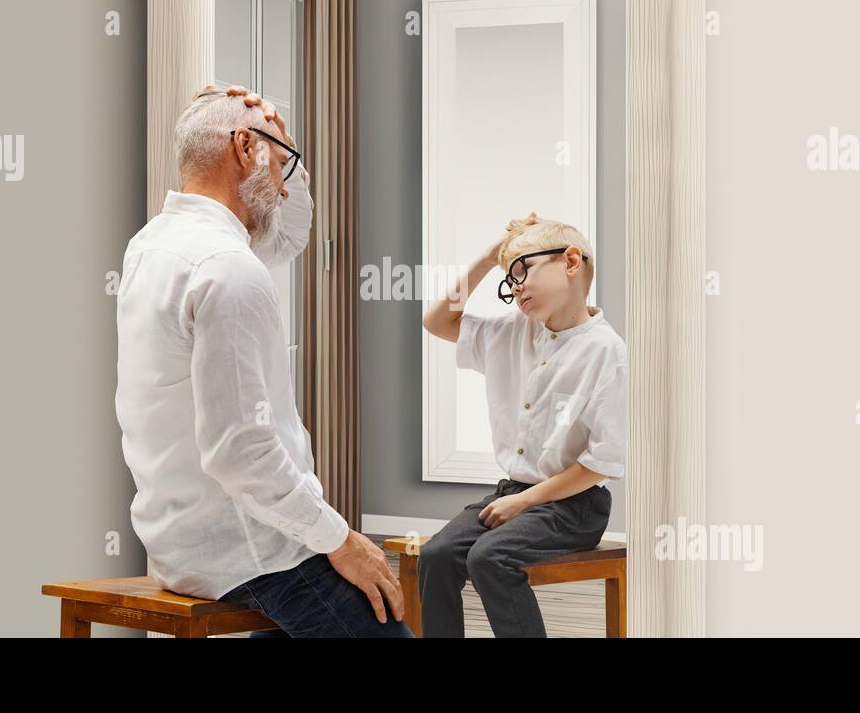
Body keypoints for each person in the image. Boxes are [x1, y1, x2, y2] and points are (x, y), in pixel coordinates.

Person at [115, 85, 411, 637]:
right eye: (280, 165)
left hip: (180, 538)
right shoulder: (229, 267)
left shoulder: (153, 245)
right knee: (383, 611)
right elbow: (242, 452)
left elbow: (291, 232)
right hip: (251, 547)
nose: (282, 185)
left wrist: (283, 143)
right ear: (244, 148)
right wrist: (340, 540)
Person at [419, 213, 628, 637]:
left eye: (522, 269)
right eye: (507, 276)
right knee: (436, 554)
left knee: (489, 558)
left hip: (575, 505)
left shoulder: (607, 352)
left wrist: (526, 502)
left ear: (571, 262)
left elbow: (600, 465)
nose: (513, 285)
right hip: (513, 492)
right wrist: (488, 256)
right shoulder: (512, 333)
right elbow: (437, 321)